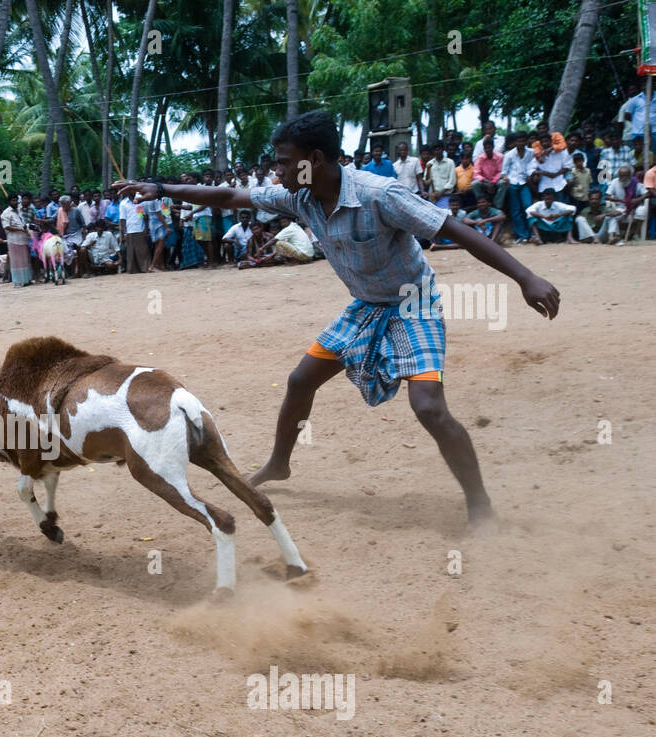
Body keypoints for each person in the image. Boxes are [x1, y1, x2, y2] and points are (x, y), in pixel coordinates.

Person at [115, 109, 560, 529]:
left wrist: (526, 277)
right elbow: (232, 195)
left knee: (428, 408)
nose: (279, 173)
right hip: (365, 306)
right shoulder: (300, 197)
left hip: (412, 304)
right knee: (299, 380)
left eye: (285, 163)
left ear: (315, 160)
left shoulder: (379, 194)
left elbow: (454, 229)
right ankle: (279, 463)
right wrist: (164, 189)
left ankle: (479, 502)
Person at [499, 132, 535, 242]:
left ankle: (531, 234)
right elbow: (504, 172)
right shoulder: (509, 154)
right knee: (516, 210)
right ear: (515, 142)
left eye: (523, 141)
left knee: (528, 206)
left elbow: (532, 166)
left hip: (525, 182)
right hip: (513, 182)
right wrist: (505, 178)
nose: (521, 143)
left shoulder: (531, 152)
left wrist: (531, 174)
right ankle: (522, 236)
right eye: (519, 141)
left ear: (526, 141)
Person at [1, 198, 32, 286]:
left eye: (16, 200)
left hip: (23, 239)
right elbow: (6, 227)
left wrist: (26, 228)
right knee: (17, 262)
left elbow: (23, 223)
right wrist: (20, 229)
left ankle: (27, 279)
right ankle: (19, 281)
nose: (15, 202)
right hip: (14, 240)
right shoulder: (6, 213)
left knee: (25, 260)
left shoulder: (19, 211)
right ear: (9, 202)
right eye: (13, 200)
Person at [119, 192, 151, 273]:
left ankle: (145, 268)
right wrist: (125, 233)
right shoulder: (123, 203)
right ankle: (133, 270)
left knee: (143, 251)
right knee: (131, 252)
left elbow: (144, 216)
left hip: (140, 228)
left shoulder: (140, 199)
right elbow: (123, 219)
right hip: (130, 230)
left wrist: (146, 229)